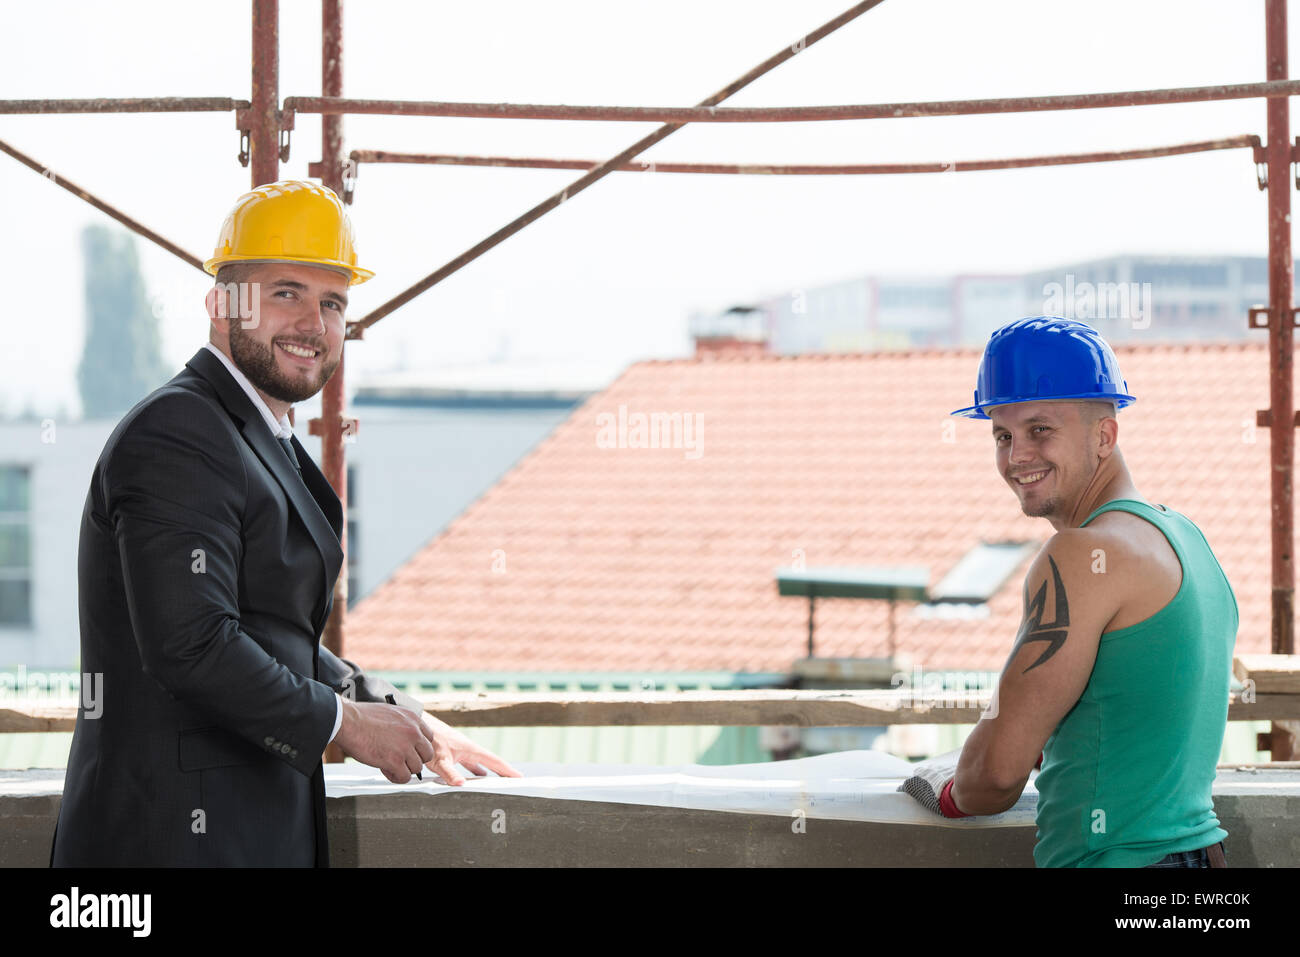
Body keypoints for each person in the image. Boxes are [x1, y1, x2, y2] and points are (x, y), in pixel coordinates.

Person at [51, 180, 519, 867]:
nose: (313, 323)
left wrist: (394, 709)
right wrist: (347, 722)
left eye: (332, 302)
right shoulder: (180, 431)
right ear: (221, 305)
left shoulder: (252, 437)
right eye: (285, 293)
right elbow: (194, 645)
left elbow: (266, 628)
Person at [926, 316, 1238, 867]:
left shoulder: (1079, 556)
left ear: (1104, 435)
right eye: (1003, 435)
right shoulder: (1185, 538)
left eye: (1040, 429)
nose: (1017, 455)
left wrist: (946, 786)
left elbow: (995, 778)